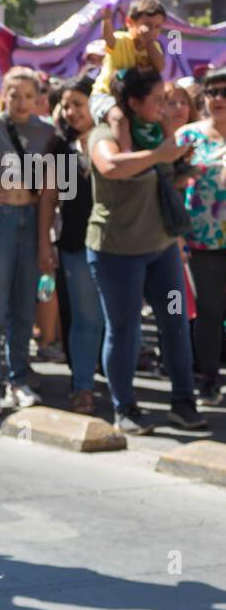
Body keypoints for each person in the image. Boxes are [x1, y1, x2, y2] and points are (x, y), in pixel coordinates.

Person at [86, 66, 206, 434]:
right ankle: (125, 408)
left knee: (174, 321)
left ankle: (183, 403)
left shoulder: (158, 131)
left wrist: (181, 163)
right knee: (124, 330)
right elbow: (110, 166)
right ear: (134, 102)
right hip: (117, 254)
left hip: (162, 251)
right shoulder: (105, 133)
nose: (164, 107)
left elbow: (167, 173)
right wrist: (159, 154)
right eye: (157, 100)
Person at [0, 67, 61, 414]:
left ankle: (18, 379)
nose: (22, 102)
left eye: (29, 95)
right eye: (15, 95)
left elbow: (50, 191)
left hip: (31, 219)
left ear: (39, 98)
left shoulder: (47, 132)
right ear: (3, 95)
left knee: (24, 306)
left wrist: (44, 241)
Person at [38, 76, 104, 414]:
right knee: (86, 318)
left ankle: (117, 388)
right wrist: (43, 246)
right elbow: (49, 199)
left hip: (118, 247)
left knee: (116, 322)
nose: (71, 111)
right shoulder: (60, 146)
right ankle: (82, 388)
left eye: (79, 103)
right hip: (75, 246)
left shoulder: (114, 140)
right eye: (66, 105)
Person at [176, 67, 226, 406]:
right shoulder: (187, 137)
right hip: (201, 238)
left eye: (225, 92)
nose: (218, 99)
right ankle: (207, 378)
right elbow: (169, 185)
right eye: (212, 92)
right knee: (208, 309)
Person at [92, 0, 166, 156]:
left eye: (157, 27)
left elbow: (159, 67)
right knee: (119, 118)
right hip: (106, 95)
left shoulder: (154, 47)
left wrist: (148, 44)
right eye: (147, 25)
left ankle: (174, 153)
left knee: (163, 115)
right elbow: (109, 39)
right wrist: (106, 19)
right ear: (130, 22)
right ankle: (126, 155)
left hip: (133, 99)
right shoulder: (121, 40)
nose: (152, 31)